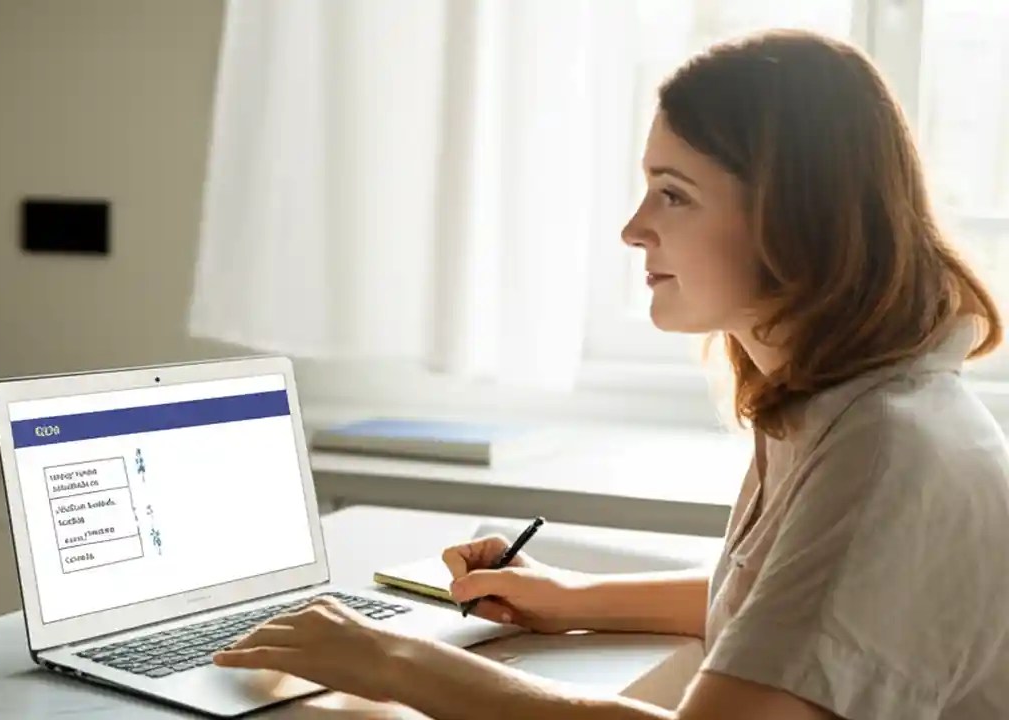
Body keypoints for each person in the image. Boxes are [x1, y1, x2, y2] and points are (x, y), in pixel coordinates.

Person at [212, 29, 1009, 719]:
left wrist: (397, 662)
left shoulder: (886, 452)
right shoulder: (841, 404)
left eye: (673, 194)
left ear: (792, 219)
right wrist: (570, 598)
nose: (634, 230)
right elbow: (792, 612)